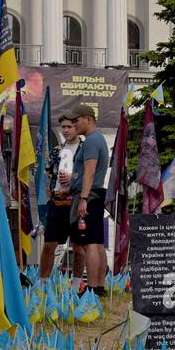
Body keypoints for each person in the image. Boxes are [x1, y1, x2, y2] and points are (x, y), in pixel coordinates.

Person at [68, 105, 109, 293]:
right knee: (98, 242)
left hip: (89, 195)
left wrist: (83, 198)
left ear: (88, 119)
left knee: (90, 242)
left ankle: (92, 287)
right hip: (96, 194)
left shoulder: (92, 140)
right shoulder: (96, 139)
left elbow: (90, 171)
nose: (74, 124)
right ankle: (99, 286)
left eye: (77, 120)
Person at [40, 114, 84, 279]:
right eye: (63, 127)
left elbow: (90, 174)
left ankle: (77, 285)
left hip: (76, 203)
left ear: (77, 128)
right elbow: (48, 174)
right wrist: (49, 197)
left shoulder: (85, 149)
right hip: (57, 204)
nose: (65, 130)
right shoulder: (57, 151)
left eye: (69, 127)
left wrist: (72, 178)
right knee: (49, 244)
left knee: (79, 247)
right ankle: (43, 284)